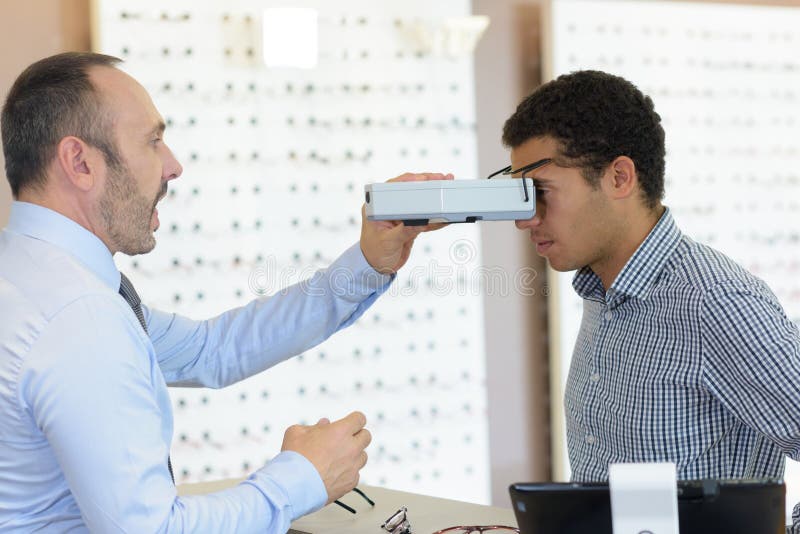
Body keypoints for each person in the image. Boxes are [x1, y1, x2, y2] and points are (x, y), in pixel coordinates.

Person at [0, 52, 450, 532]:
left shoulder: (31, 276)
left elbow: (210, 349)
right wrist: (302, 478)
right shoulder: (79, 318)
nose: (173, 166)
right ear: (80, 163)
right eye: (153, 141)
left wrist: (367, 263)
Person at [502, 70, 800, 530]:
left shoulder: (717, 302)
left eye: (540, 193)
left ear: (619, 177)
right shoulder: (598, 291)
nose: (526, 220)